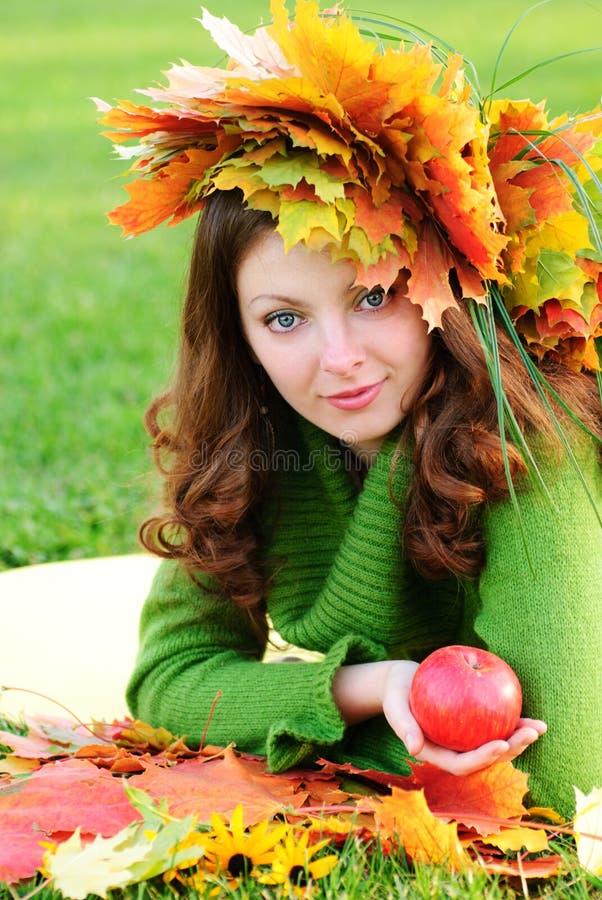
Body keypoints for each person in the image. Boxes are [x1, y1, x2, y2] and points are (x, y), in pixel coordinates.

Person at [98, 0, 602, 818]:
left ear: (444, 281)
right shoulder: (255, 440)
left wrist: (299, 728)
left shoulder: (529, 432)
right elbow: (167, 680)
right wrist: (372, 688)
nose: (339, 360)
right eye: (284, 318)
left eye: (374, 294)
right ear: (239, 335)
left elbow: (561, 768)